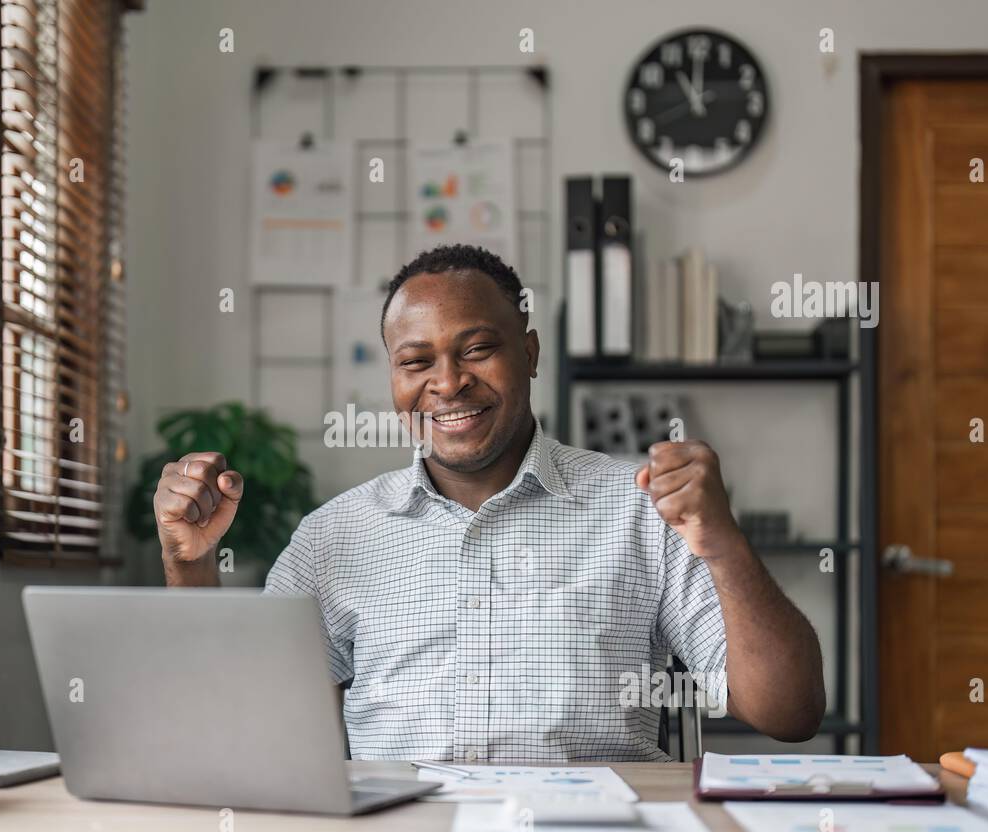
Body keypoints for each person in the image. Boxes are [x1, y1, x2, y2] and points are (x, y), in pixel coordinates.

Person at [153, 244, 825, 761]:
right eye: (417, 361)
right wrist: (190, 568)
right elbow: (240, 731)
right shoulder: (334, 535)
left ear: (529, 353)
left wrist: (725, 545)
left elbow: (790, 713)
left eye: (477, 349)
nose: (448, 382)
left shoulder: (640, 510)